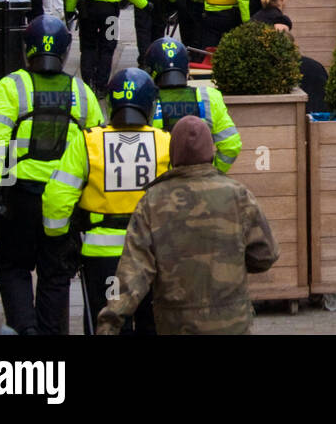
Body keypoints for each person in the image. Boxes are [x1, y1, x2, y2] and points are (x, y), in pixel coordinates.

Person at [96, 114, 279, 334]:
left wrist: (109, 321)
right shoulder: (238, 195)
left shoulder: (152, 201)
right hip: (233, 323)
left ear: (173, 154)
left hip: (176, 324)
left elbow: (131, 273)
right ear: (211, 151)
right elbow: (266, 255)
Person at [0, 16, 102, 335]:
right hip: (64, 202)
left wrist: (0, 196)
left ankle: (25, 331)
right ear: (64, 52)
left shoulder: (12, 86)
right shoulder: (80, 91)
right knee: (56, 273)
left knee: (12, 268)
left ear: (28, 49)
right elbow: (96, 145)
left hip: (22, 196)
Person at [42, 66, 171, 334]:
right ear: (150, 105)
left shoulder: (88, 142)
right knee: (151, 323)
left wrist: (58, 238)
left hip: (101, 258)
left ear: (110, 103)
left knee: (107, 325)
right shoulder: (165, 142)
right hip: (152, 254)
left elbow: (56, 198)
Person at [143, 36, 241, 173]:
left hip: (161, 185)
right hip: (201, 184)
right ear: (186, 68)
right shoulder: (209, 97)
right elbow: (231, 145)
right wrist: (215, 172)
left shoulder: (147, 102)